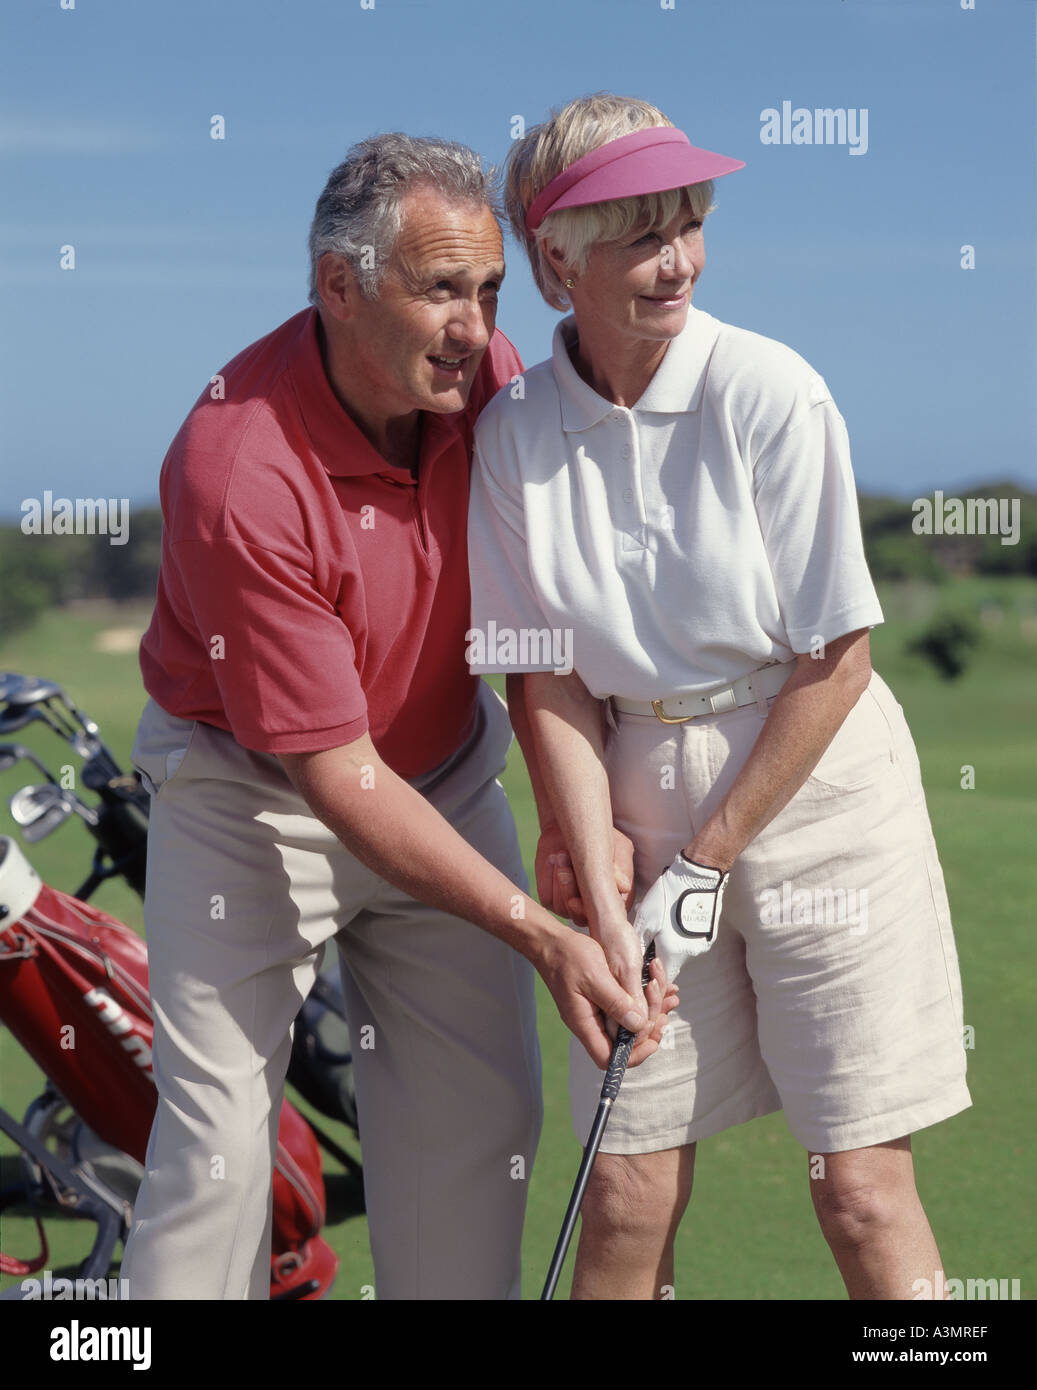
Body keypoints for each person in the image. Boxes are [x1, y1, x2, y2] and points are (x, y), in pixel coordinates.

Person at [120, 132, 673, 1302]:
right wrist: (539, 930)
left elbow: (530, 638)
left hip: (444, 774)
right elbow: (333, 774)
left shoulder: (483, 385)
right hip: (249, 797)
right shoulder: (238, 467)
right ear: (337, 286)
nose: (475, 329)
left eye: (486, 290)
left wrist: (573, 830)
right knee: (218, 1149)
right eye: (438, 291)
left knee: (482, 1123)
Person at [466, 94, 971, 1300]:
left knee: (856, 1189)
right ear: (553, 261)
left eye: (687, 221)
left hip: (820, 794)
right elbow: (545, 679)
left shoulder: (769, 392)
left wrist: (704, 863)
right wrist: (600, 887)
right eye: (639, 233)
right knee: (627, 1190)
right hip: (630, 801)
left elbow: (833, 657)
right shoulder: (513, 432)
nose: (677, 258)